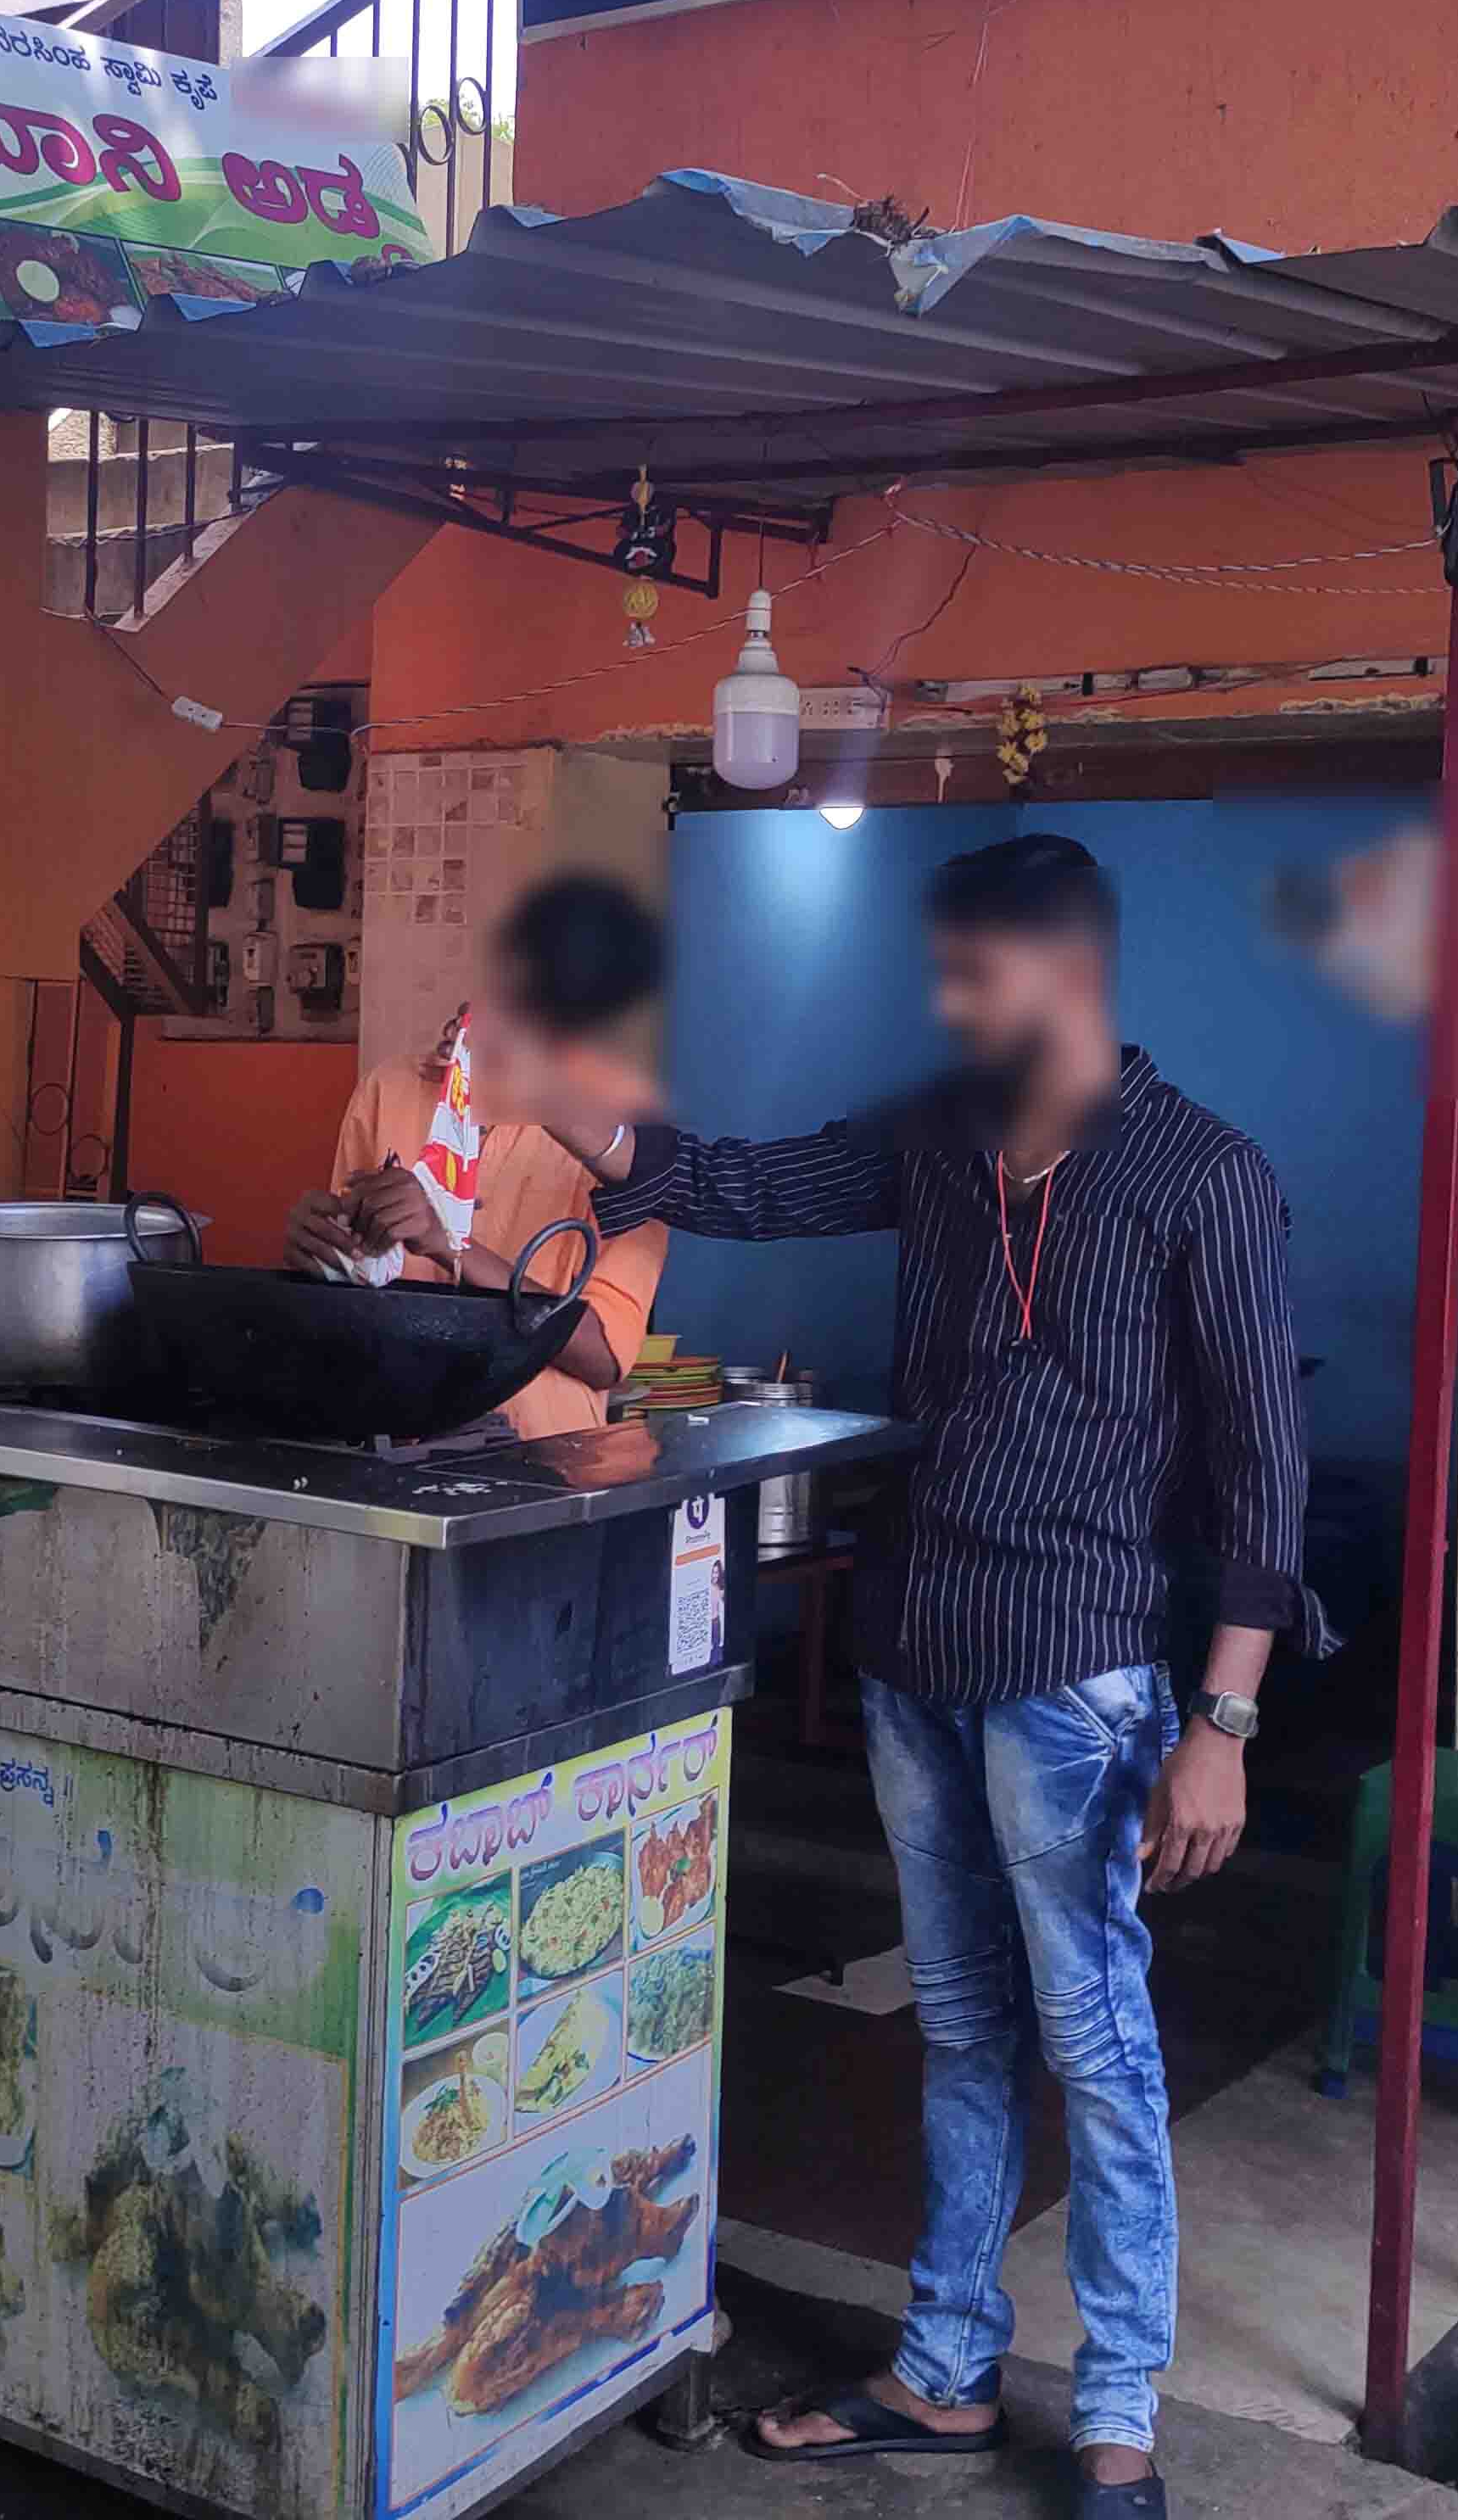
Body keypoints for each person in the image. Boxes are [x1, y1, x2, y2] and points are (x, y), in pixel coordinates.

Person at [558, 834, 1316, 2520]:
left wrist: (1228, 1722)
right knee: (964, 2028)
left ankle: (1117, 2410)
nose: (946, 1004)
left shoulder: (1203, 1175)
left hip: (1086, 1667)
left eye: (968, 975)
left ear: (1058, 973)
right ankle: (946, 2373)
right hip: (919, 1648)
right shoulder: (942, 1136)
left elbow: (1267, 1465)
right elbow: (755, 1182)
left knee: (1099, 2043)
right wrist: (598, 1133)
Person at [286, 874, 671, 1444]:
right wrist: (317, 1250)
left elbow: (603, 1356)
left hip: (540, 1466)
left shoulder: (632, 1147)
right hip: (387, 1442)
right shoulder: (390, 1087)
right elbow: (357, 1284)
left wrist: (451, 1242)